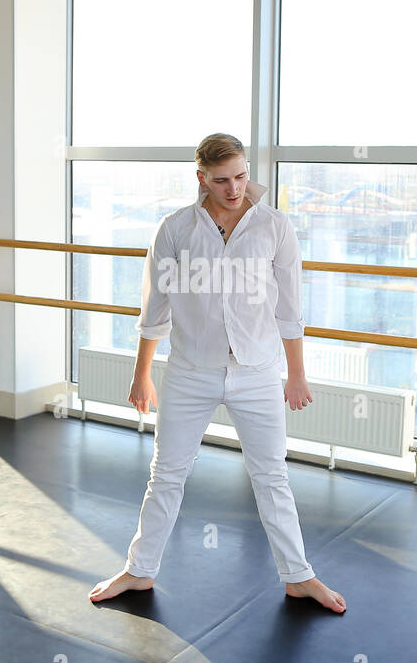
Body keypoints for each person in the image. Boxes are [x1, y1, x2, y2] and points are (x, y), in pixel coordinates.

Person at [89, 133, 346, 613]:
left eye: (242, 176)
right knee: (166, 473)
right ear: (201, 178)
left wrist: (297, 373)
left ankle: (298, 576)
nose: (234, 189)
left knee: (271, 476)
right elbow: (155, 307)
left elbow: (290, 308)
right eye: (223, 180)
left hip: (258, 372)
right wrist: (141, 373)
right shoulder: (175, 229)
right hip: (189, 371)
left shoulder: (275, 226)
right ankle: (139, 571)